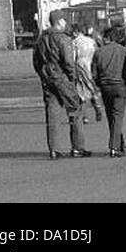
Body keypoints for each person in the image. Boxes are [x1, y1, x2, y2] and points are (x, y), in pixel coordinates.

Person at [33, 12, 89, 158]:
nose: (65, 23)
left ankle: (54, 149)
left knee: (52, 114)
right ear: (59, 21)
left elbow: (36, 62)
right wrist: (72, 78)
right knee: (75, 111)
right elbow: (69, 62)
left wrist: (43, 74)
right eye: (64, 20)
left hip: (47, 79)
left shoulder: (41, 39)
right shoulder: (63, 39)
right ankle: (77, 147)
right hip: (63, 78)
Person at [92, 27, 126, 157]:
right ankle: (114, 146)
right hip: (119, 85)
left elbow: (94, 73)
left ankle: (119, 143)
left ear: (107, 37)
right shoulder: (124, 51)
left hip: (105, 87)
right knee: (118, 116)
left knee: (110, 116)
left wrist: (100, 84)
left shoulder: (98, 52)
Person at [71, 24, 104, 127]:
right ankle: (98, 107)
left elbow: (72, 58)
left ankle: (84, 116)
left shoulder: (74, 42)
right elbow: (98, 53)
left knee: (81, 92)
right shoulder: (91, 41)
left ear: (76, 32)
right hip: (91, 66)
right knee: (92, 88)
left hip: (80, 67)